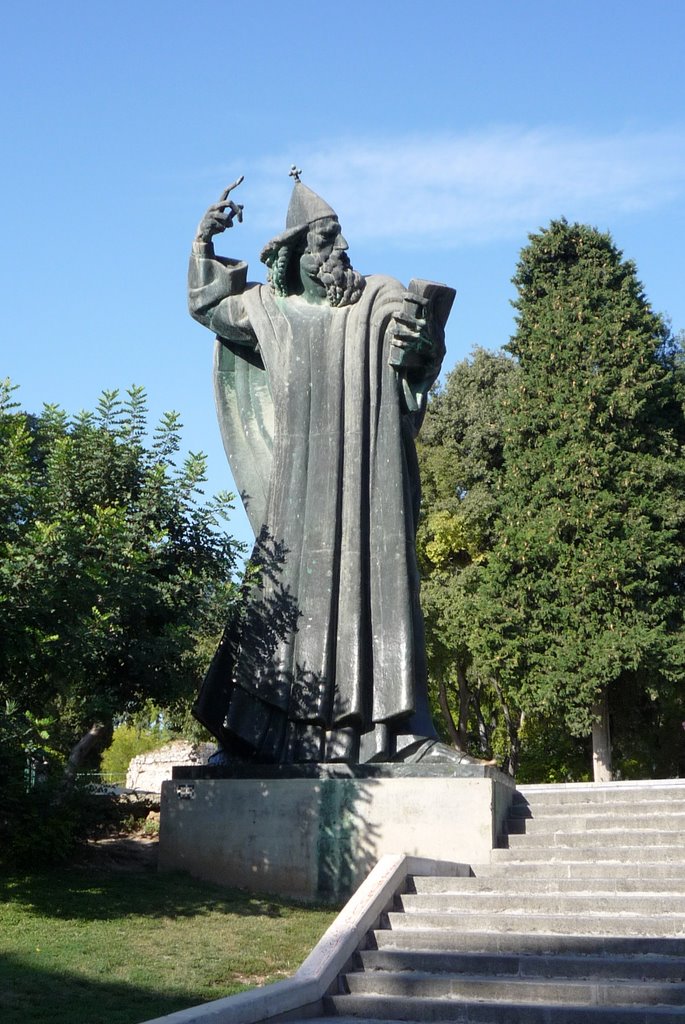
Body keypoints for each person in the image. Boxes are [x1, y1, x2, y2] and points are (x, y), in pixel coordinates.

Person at [188, 172, 461, 765]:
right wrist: (203, 245)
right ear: (294, 256)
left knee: (378, 595)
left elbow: (419, 349)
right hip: (297, 490)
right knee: (280, 602)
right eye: (323, 241)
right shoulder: (268, 309)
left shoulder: (378, 297)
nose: (339, 250)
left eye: (340, 238)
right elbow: (208, 306)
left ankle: (397, 736)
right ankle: (255, 740)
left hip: (370, 487)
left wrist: (421, 347)